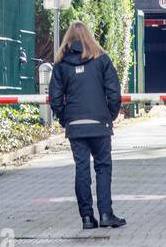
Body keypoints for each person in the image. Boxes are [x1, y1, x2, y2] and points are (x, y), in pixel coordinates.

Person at [48, 21, 126, 230]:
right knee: (103, 167)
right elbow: (114, 93)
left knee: (81, 169)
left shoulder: (60, 63)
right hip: (99, 124)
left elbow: (55, 99)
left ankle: (86, 218)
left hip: (75, 125)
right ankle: (106, 214)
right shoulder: (102, 59)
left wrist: (67, 119)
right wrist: (109, 115)